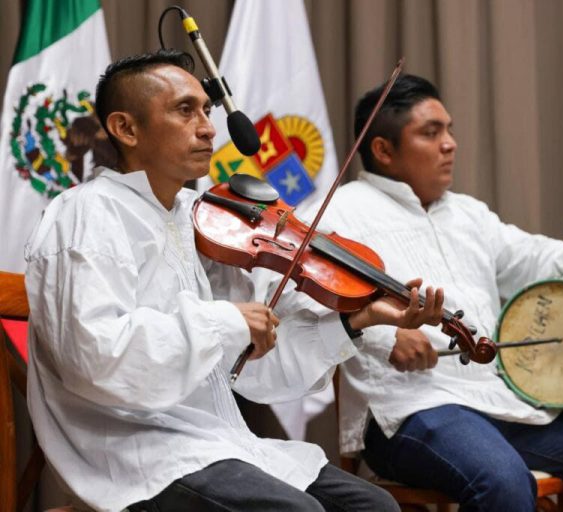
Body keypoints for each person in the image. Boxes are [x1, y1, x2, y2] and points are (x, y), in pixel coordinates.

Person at [24, 50, 446, 512]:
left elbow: (253, 372)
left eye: (206, 109)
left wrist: (355, 320)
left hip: (218, 442)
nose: (208, 126)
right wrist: (224, 321)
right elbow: (96, 359)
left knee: (374, 508)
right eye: (185, 110)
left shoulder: (203, 221)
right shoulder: (87, 213)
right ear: (126, 128)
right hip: (136, 452)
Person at [312, 74, 563, 511]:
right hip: (407, 410)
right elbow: (305, 304)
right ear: (383, 150)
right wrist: (384, 336)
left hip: (496, 398)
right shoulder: (339, 214)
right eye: (430, 132)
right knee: (503, 482)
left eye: (450, 130)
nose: (450, 143)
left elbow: (526, 254)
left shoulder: (468, 213)